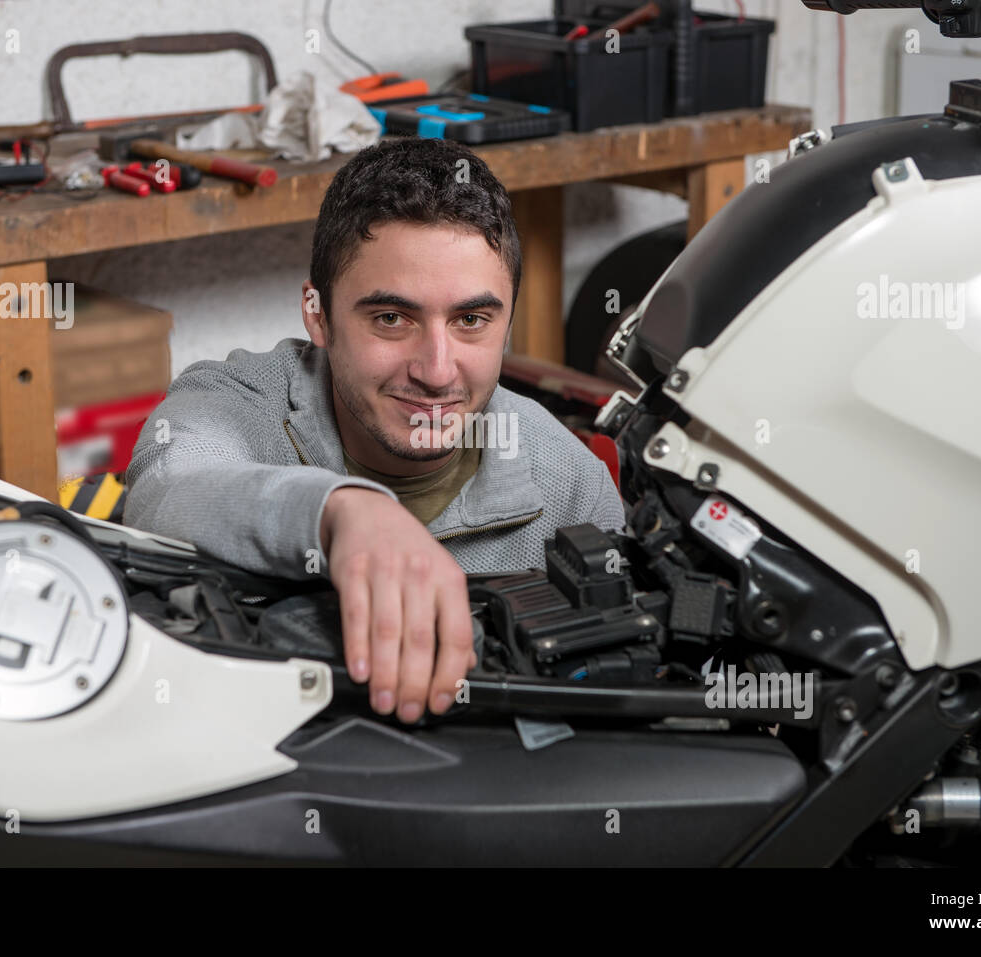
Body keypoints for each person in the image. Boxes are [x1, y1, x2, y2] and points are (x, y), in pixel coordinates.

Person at [125, 136, 624, 725]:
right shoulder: (233, 403)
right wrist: (340, 513)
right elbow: (166, 489)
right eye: (391, 319)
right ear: (318, 313)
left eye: (471, 321)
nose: (437, 372)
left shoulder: (571, 484)